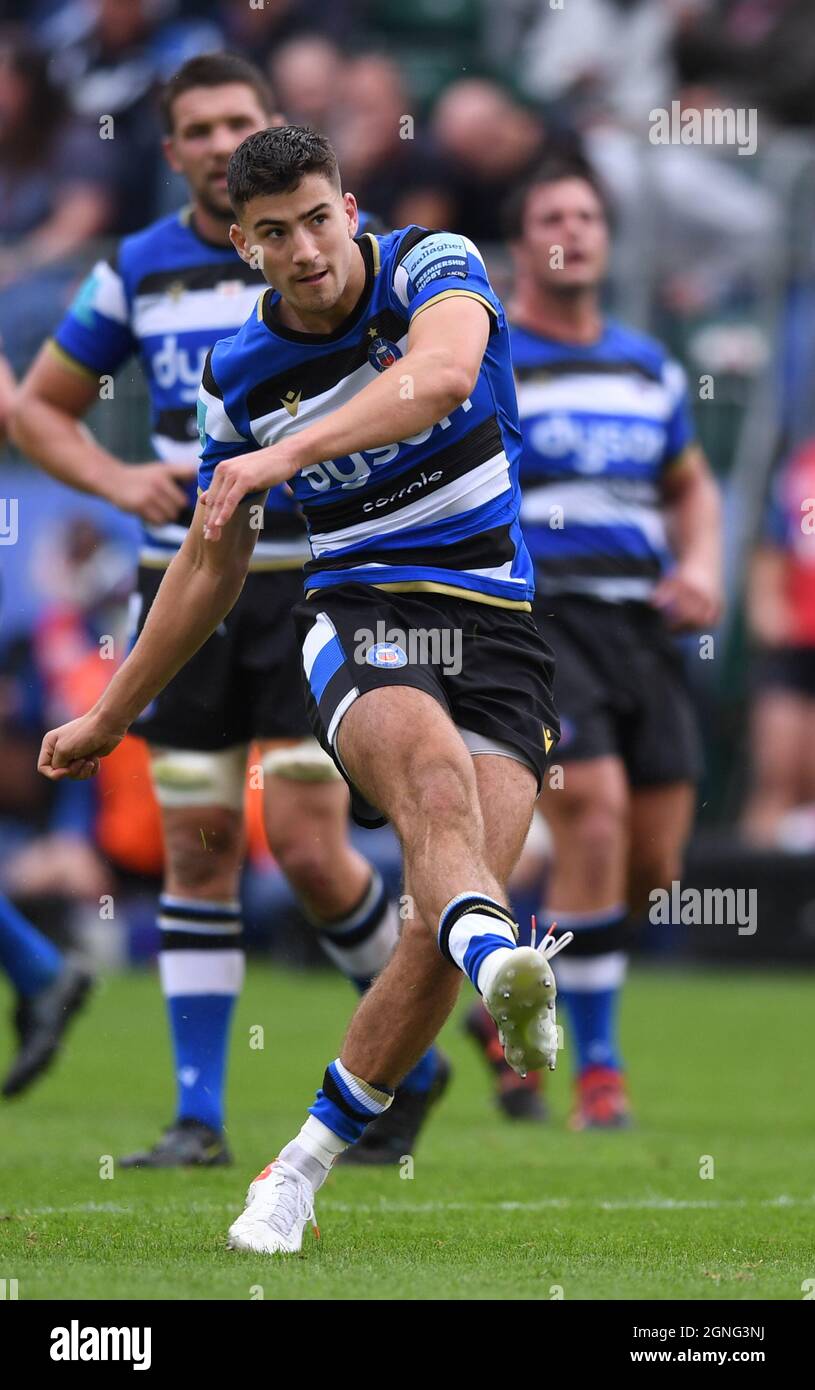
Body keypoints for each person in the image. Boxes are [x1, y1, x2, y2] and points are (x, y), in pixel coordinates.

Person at [37, 125, 567, 1255]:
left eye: (318, 218)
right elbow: (208, 559)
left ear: (351, 208)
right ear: (245, 244)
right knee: (432, 795)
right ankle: (506, 969)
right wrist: (111, 710)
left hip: (501, 627)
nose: (305, 248)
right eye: (273, 233)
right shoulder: (238, 373)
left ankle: (301, 1163)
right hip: (358, 616)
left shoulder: (434, 265)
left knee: (439, 916)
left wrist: (280, 457)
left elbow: (440, 380)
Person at [14, 57, 446, 1170]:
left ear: (277, 135)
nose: (217, 142)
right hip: (190, 581)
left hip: (322, 579)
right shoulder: (136, 272)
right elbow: (40, 411)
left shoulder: (349, 256)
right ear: (170, 154)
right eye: (196, 128)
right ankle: (198, 1115)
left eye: (237, 123)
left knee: (303, 843)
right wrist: (117, 486)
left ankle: (400, 1039)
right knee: (197, 841)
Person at [468, 155, 722, 1128]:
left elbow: (689, 484)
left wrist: (698, 564)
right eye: (548, 214)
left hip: (641, 624)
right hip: (540, 620)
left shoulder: (647, 364)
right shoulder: (489, 355)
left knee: (653, 867)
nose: (569, 227)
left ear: (604, 237)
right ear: (522, 239)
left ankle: (508, 986)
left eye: (585, 212)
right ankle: (598, 1070)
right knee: (597, 816)